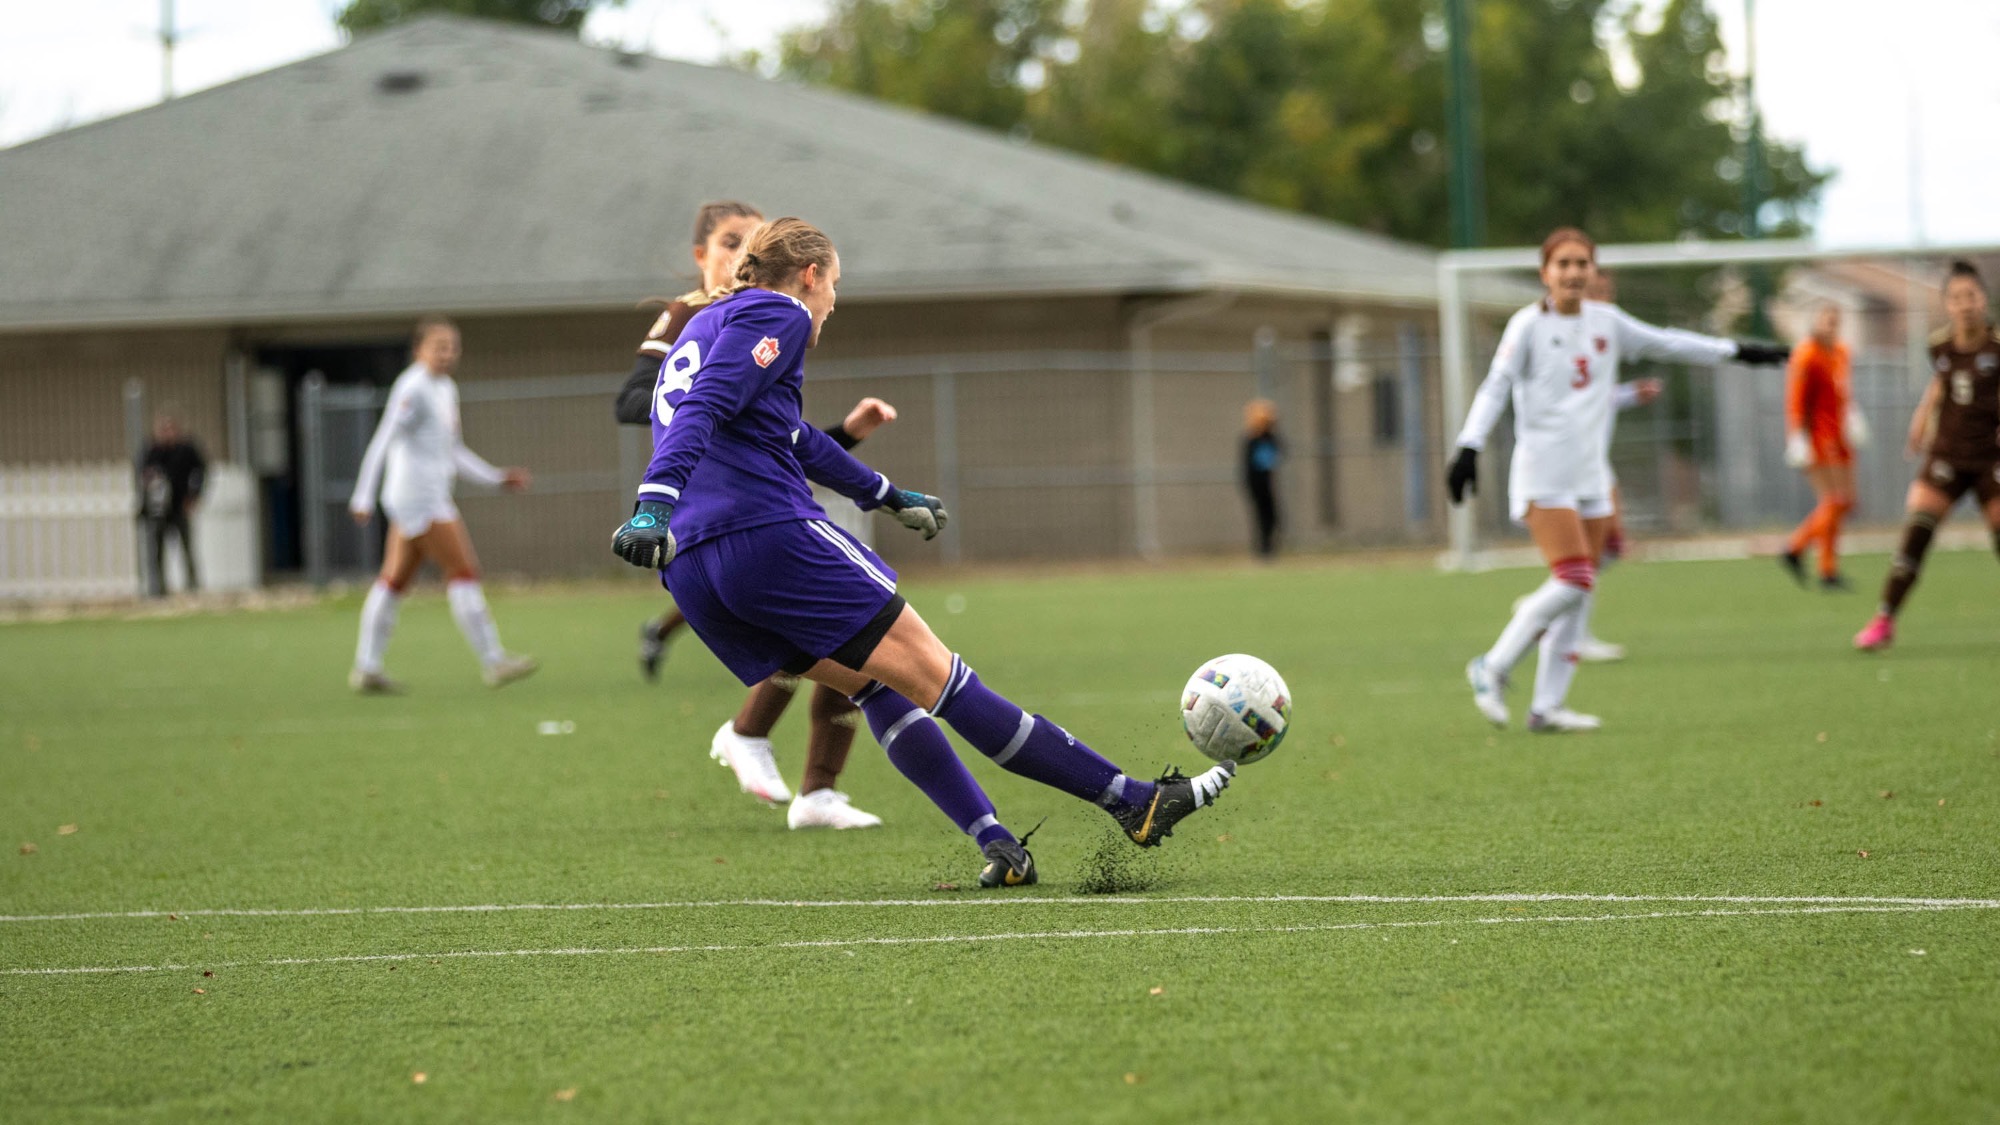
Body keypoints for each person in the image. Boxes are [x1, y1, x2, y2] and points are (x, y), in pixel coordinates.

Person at [610, 218, 1236, 886]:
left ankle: (997, 843)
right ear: (811, 275)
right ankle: (1133, 801)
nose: (833, 304)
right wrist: (653, 502)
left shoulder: (707, 324)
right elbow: (707, 404)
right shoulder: (780, 311)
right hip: (764, 535)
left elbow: (790, 436)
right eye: (835, 285)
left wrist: (884, 493)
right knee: (947, 680)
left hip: (694, 571)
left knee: (873, 683)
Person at [614, 200, 892, 830]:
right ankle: (759, 742)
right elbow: (633, 400)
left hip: (759, 499)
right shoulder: (693, 315)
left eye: (753, 241)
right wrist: (701, 398)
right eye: (730, 241)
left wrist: (846, 437)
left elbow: (780, 433)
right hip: (706, 507)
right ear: (701, 255)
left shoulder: (767, 315)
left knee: (848, 637)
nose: (742, 253)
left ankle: (814, 785)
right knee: (844, 636)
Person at [1448, 227, 1787, 732]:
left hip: (1590, 475)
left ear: (1593, 271)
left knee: (1580, 587)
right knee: (1574, 578)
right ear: (1545, 273)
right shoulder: (1528, 326)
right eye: (1563, 263)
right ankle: (1492, 665)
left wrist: (1738, 351)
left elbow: (1669, 343)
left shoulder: (1606, 321)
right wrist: (1469, 445)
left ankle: (1547, 707)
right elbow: (1496, 386)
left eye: (1582, 263)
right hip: (1543, 472)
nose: (1573, 272)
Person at [347, 316, 537, 692]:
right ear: (418, 350)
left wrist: (495, 477)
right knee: (464, 571)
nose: (447, 354)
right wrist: (362, 494)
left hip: (422, 497)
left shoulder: (445, 388)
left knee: (393, 581)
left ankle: (366, 667)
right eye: (439, 347)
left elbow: (453, 450)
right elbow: (384, 439)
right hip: (420, 498)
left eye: (452, 347)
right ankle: (494, 661)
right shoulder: (413, 386)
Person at [1854, 261, 2000, 651]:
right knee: (1918, 527)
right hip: (1948, 453)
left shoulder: (1997, 346)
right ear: (1947, 305)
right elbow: (1941, 384)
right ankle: (1884, 619)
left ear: (1983, 299)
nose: (1965, 304)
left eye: (1971, 296)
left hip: (1991, 458)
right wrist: (1920, 421)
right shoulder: (1940, 346)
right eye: (1957, 298)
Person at [1781, 304, 1866, 591]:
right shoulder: (1807, 355)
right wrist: (1797, 437)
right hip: (1820, 436)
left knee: (1846, 501)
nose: (1831, 327)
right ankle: (1809, 556)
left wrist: (1852, 415)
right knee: (1834, 500)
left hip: (1840, 433)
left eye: (1835, 322)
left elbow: (1843, 391)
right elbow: (1795, 399)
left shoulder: (1841, 352)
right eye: (1826, 321)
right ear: (1814, 322)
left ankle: (1807, 556)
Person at [136, 407, 206, 597]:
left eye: (170, 428)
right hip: (159, 509)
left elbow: (201, 472)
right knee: (157, 550)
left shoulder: (187, 450)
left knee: (187, 547)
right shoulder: (151, 451)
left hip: (180, 506)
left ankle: (193, 586)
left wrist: (194, 496)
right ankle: (158, 588)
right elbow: (142, 475)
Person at [1242, 399, 1282, 559]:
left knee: (1272, 515)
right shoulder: (1251, 440)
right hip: (1256, 482)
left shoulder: (1270, 438)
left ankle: (1269, 547)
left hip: (1267, 482)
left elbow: (1280, 450)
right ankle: (1263, 549)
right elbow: (1249, 464)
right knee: (1261, 515)